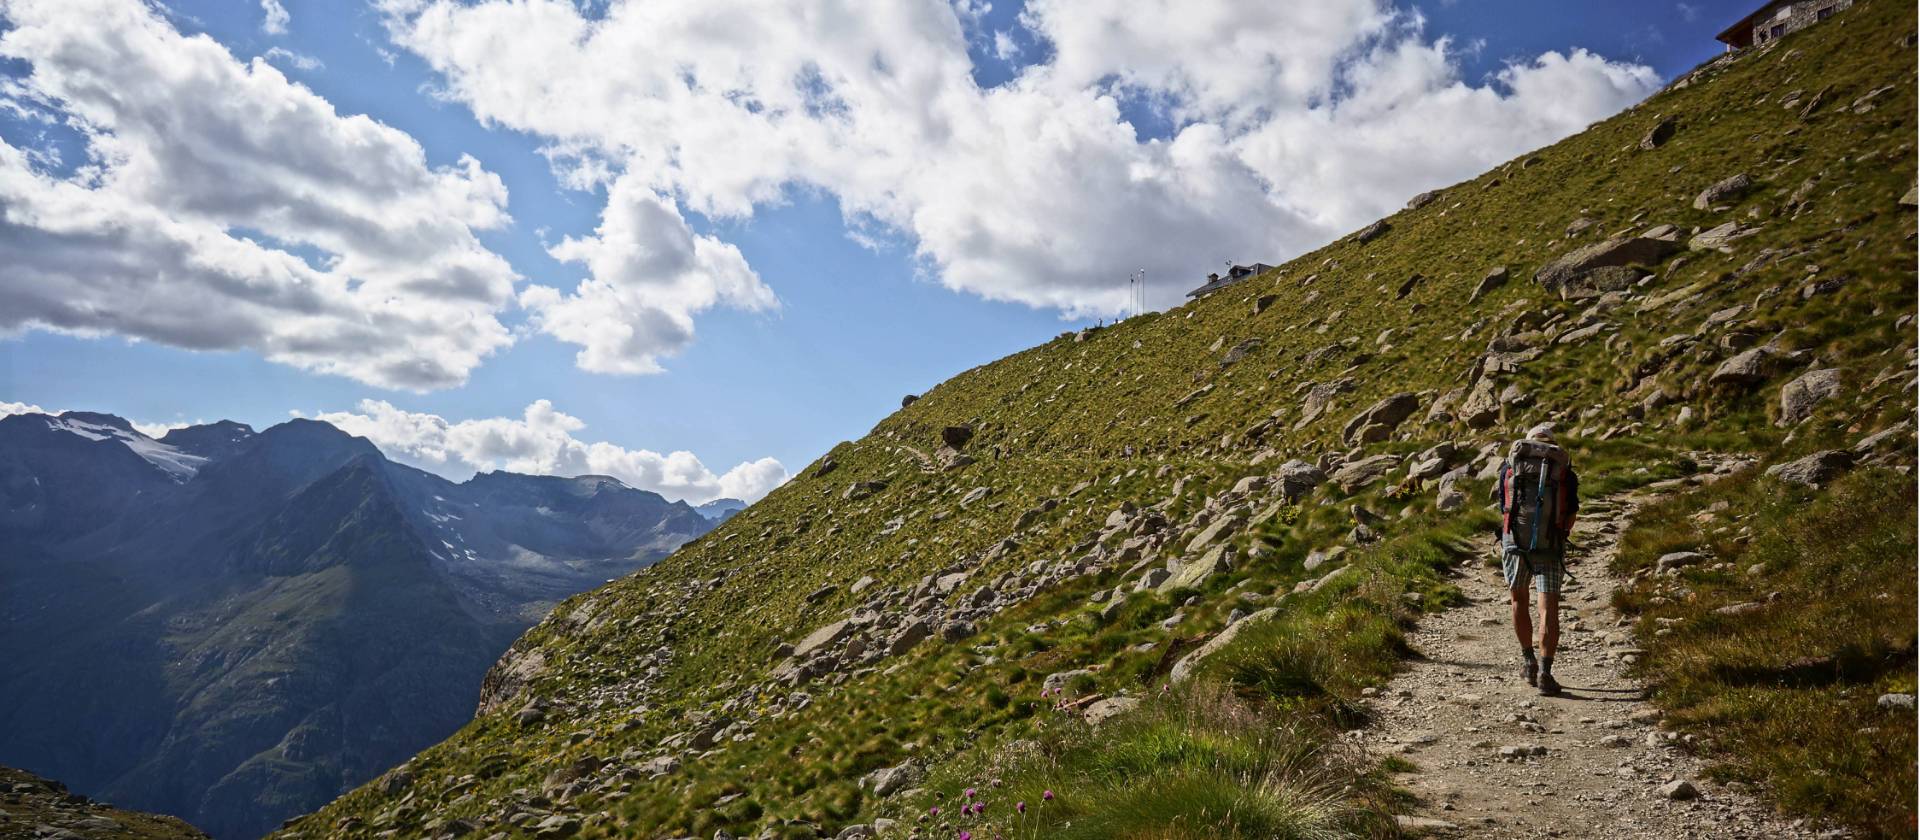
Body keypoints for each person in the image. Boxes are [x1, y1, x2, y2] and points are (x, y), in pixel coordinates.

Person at [1490, 423, 1580, 695]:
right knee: (1548, 608)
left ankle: (1527, 662)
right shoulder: (1564, 471)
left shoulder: (1510, 466)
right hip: (1550, 546)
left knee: (1519, 600)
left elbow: (1504, 507)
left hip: (1515, 544)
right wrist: (1559, 533)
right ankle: (1545, 672)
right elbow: (1571, 513)